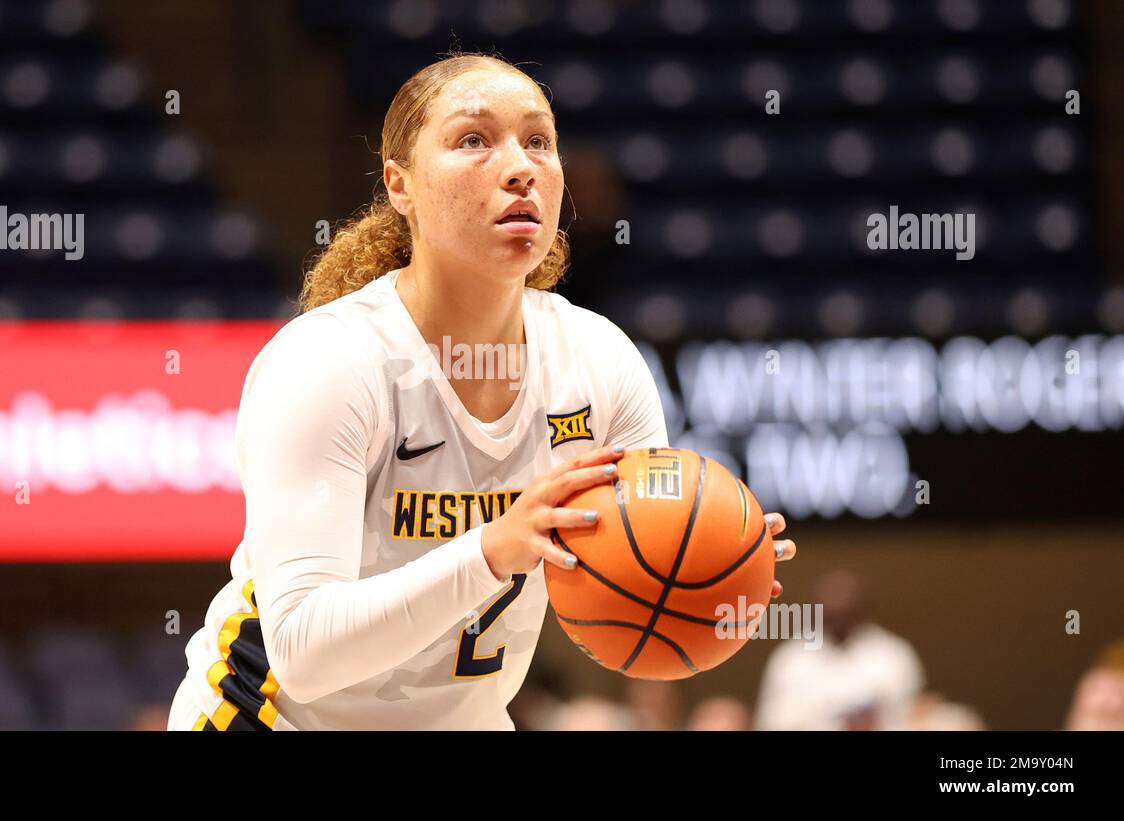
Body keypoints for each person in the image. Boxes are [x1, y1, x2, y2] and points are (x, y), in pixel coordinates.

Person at [167, 51, 797, 731]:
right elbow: (303, 652)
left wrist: (713, 560)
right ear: (400, 186)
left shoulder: (601, 361)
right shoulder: (331, 362)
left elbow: (635, 575)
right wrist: (495, 547)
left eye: (538, 141)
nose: (521, 165)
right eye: (473, 139)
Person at [754, 570, 922, 731]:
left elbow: (912, 718)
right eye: (830, 613)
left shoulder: (893, 655)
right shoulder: (791, 659)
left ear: (861, 610)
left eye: (844, 613)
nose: (837, 617)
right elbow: (771, 722)